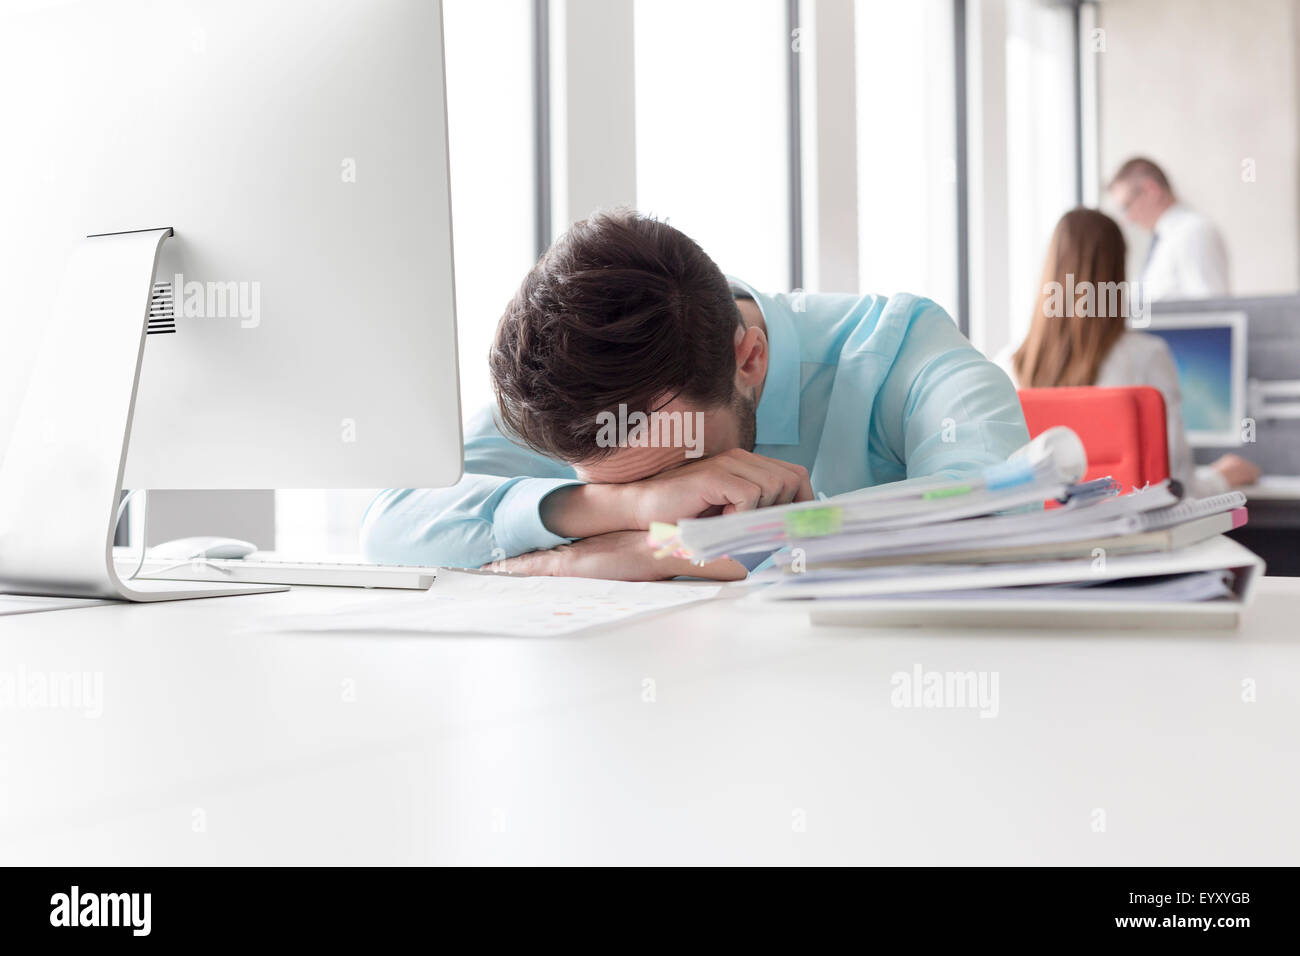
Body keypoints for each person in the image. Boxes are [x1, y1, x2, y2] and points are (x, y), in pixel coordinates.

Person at [362, 208, 1029, 580]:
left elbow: (1002, 524)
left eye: (682, 469)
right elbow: (391, 525)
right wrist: (624, 507)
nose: (674, 506)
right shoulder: (583, 385)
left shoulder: (907, 353)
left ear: (750, 360)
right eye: (611, 485)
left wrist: (672, 549)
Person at [999, 207, 1257, 498]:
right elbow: (1174, 486)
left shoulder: (1005, 365)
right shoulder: (1147, 356)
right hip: (1126, 535)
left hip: (1035, 536)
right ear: (1117, 274)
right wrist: (1221, 477)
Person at [1107, 157, 1229, 302]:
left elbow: (1210, 307)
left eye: (1127, 206)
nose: (1128, 219)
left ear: (1151, 191)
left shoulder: (1193, 232)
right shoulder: (1164, 239)